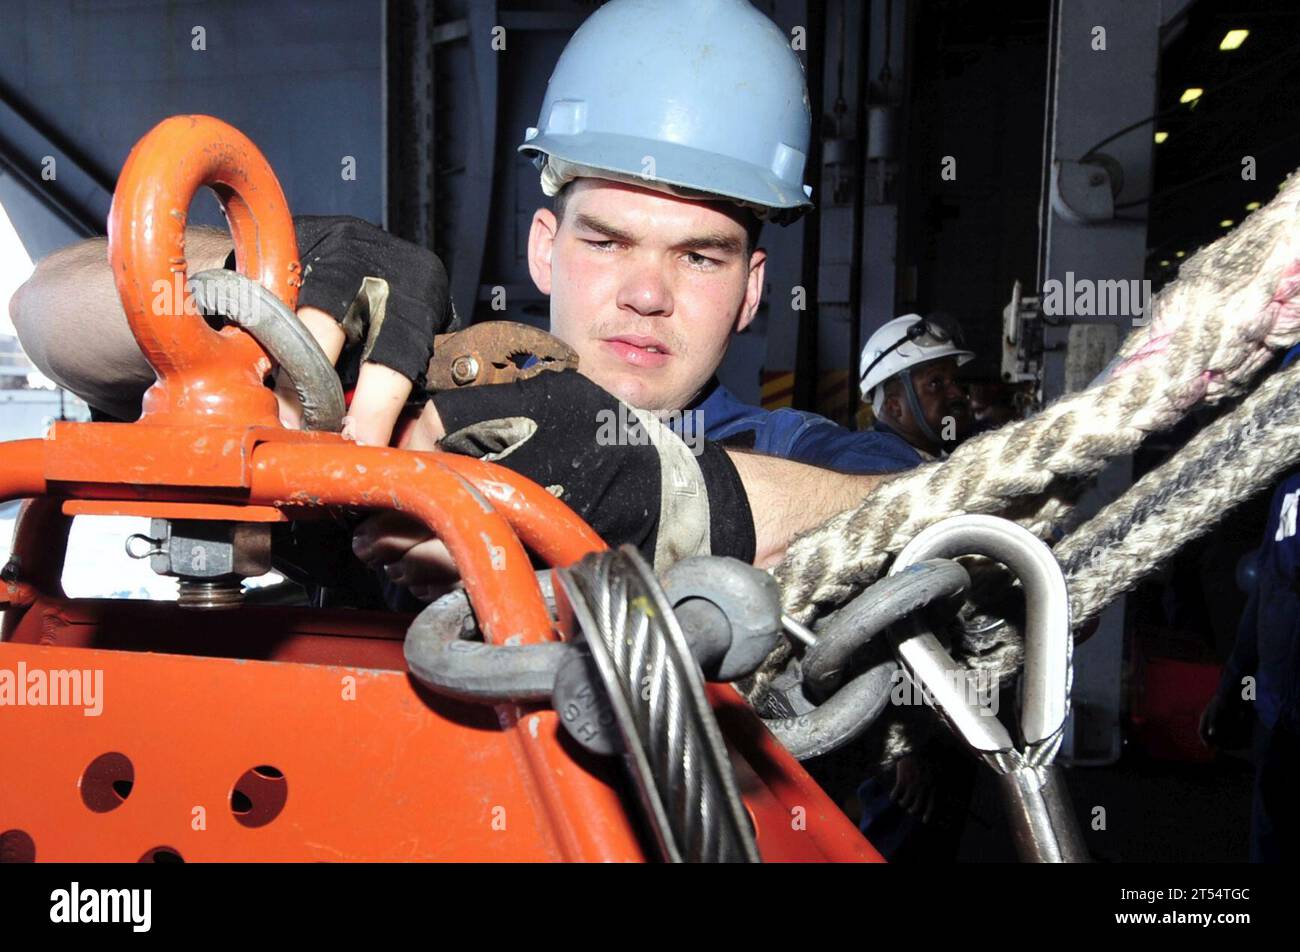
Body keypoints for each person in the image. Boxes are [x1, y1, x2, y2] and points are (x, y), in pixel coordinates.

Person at [11, 0, 912, 597]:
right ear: (545, 251)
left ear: (752, 292)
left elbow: (945, 510)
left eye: (701, 258)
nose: (647, 293)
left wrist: (644, 488)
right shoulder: (406, 399)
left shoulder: (803, 452)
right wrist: (269, 271)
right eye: (607, 241)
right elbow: (49, 315)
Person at [854, 314, 981, 861]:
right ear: (895, 404)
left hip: (941, 715)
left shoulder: (930, 468)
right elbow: (873, 614)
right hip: (906, 730)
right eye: (935, 384)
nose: (956, 395)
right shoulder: (880, 475)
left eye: (955, 382)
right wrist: (904, 745)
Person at [1200, 349, 1300, 861]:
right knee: (1269, 844)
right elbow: (1264, 590)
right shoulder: (1287, 489)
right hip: (1278, 716)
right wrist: (1233, 686)